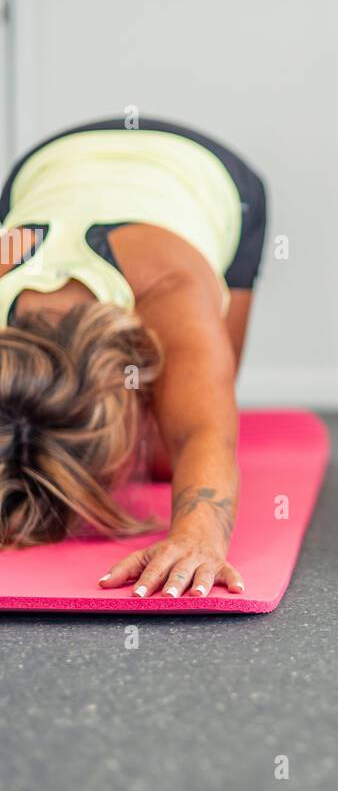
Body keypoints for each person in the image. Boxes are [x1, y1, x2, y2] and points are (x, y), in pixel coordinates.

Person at [0, 116, 267, 598]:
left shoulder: (170, 285)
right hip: (50, 164)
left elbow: (201, 434)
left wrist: (198, 536)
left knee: (167, 457)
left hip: (207, 169)